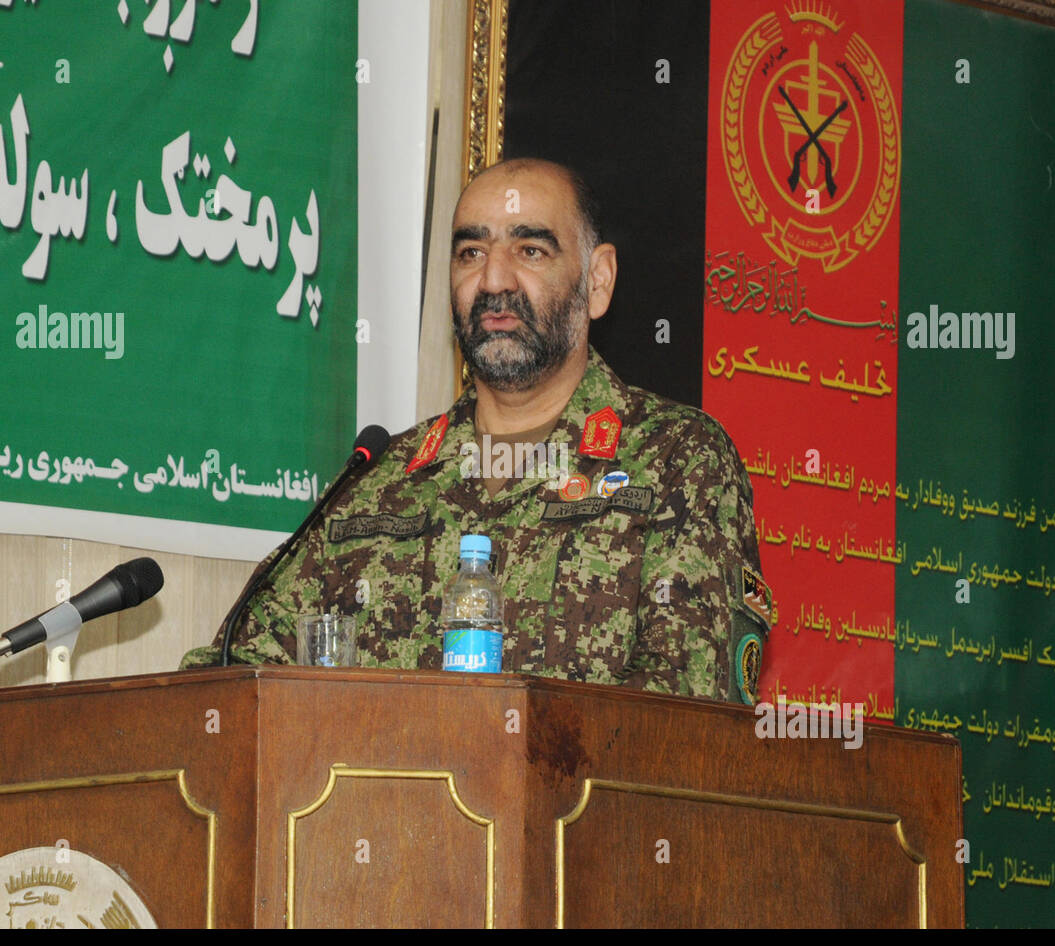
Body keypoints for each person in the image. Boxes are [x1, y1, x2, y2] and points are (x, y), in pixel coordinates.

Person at [182, 158, 772, 703]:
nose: (493, 281)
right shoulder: (380, 478)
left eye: (531, 250)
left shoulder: (679, 461)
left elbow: (691, 710)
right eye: (470, 253)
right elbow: (234, 672)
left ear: (597, 281)